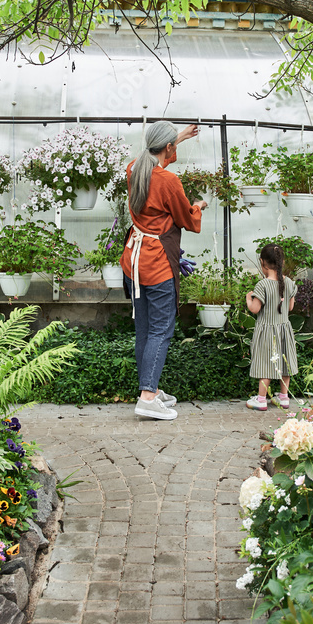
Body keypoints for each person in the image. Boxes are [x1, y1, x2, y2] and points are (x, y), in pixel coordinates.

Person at [120, 120, 206, 421]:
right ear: (167, 149)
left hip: (134, 261)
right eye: (173, 146)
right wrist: (198, 206)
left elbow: (150, 157)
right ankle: (146, 397)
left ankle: (151, 390)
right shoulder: (169, 181)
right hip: (156, 264)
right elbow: (185, 218)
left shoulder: (134, 169)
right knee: (161, 329)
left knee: (144, 329)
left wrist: (178, 137)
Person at [245, 243, 298, 411]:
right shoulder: (289, 282)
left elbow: (255, 309)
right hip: (284, 330)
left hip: (267, 332)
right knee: (285, 364)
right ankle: (283, 398)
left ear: (262, 262)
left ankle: (261, 399)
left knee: (266, 365)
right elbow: (290, 308)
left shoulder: (262, 285)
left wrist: (248, 299)